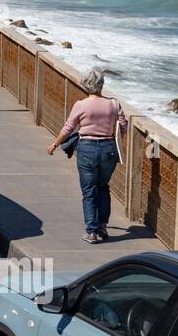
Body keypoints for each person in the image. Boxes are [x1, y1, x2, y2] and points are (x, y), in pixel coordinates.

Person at [47, 67, 127, 244]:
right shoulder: (114, 103)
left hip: (87, 148)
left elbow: (69, 128)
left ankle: (92, 231)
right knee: (103, 186)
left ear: (86, 85)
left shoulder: (81, 105)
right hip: (109, 149)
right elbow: (123, 126)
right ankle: (103, 227)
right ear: (101, 85)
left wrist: (55, 144)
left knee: (89, 191)